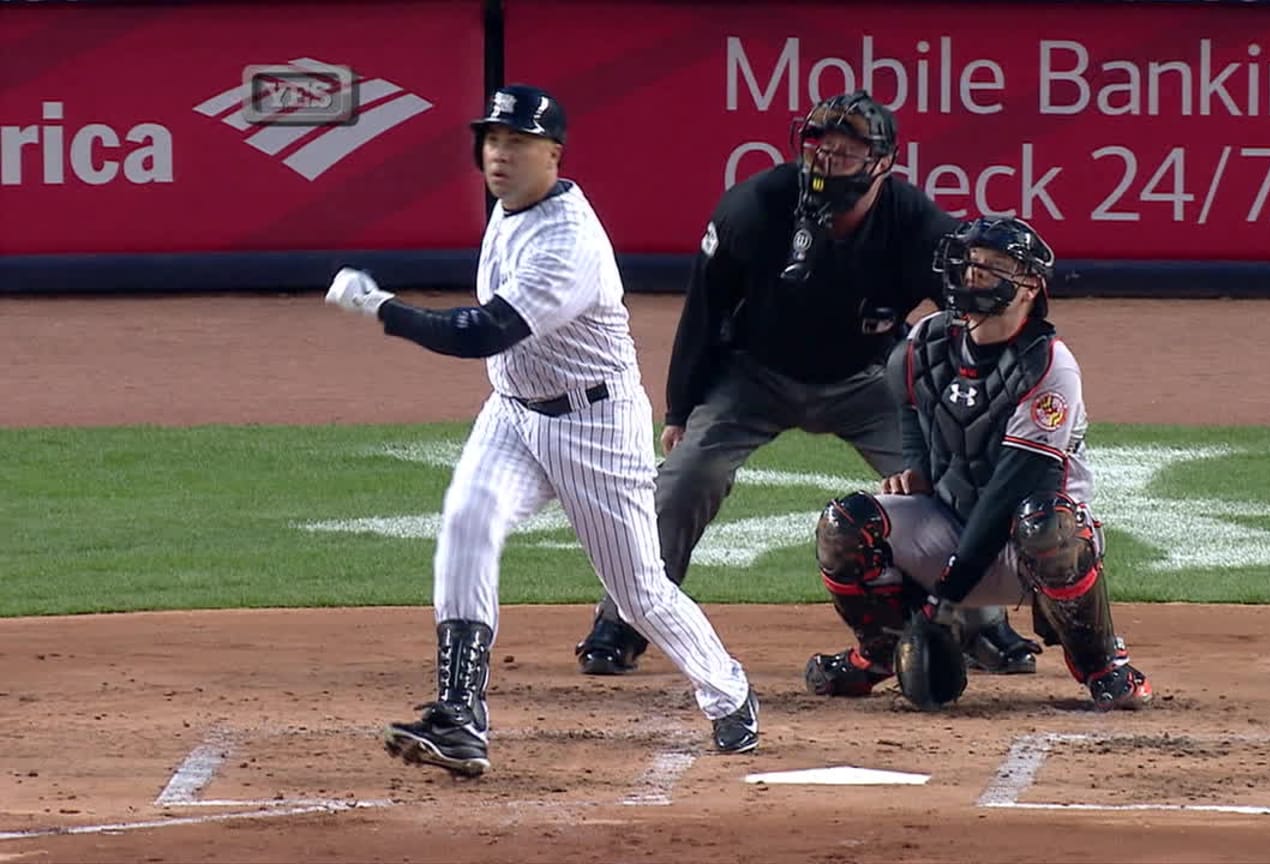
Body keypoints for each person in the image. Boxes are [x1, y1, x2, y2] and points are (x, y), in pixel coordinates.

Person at [322, 83, 760, 777]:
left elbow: (482, 331)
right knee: (467, 522)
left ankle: (728, 690)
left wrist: (381, 307)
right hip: (514, 410)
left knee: (639, 590)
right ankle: (459, 714)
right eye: (493, 140)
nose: (499, 154)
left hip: (594, 423)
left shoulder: (569, 241)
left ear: (552, 154)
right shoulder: (509, 207)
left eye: (517, 143)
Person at [573, 89, 1042, 679]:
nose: (829, 160)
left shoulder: (915, 223)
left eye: (848, 151)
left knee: (952, 477)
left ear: (882, 163)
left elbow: (969, 318)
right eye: (822, 147)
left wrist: (960, 404)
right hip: (752, 375)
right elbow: (705, 306)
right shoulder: (754, 206)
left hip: (870, 378)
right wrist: (680, 408)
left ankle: (982, 623)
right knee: (686, 476)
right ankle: (623, 619)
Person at [803, 216, 1154, 711]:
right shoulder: (926, 343)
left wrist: (942, 599)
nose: (973, 276)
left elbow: (1010, 490)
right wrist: (917, 466)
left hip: (1025, 550)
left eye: (992, 268)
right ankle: (880, 654)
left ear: (1029, 285)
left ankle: (1103, 666)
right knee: (845, 525)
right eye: (971, 265)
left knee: (1043, 524)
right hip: (948, 525)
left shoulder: (1049, 366)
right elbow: (910, 403)